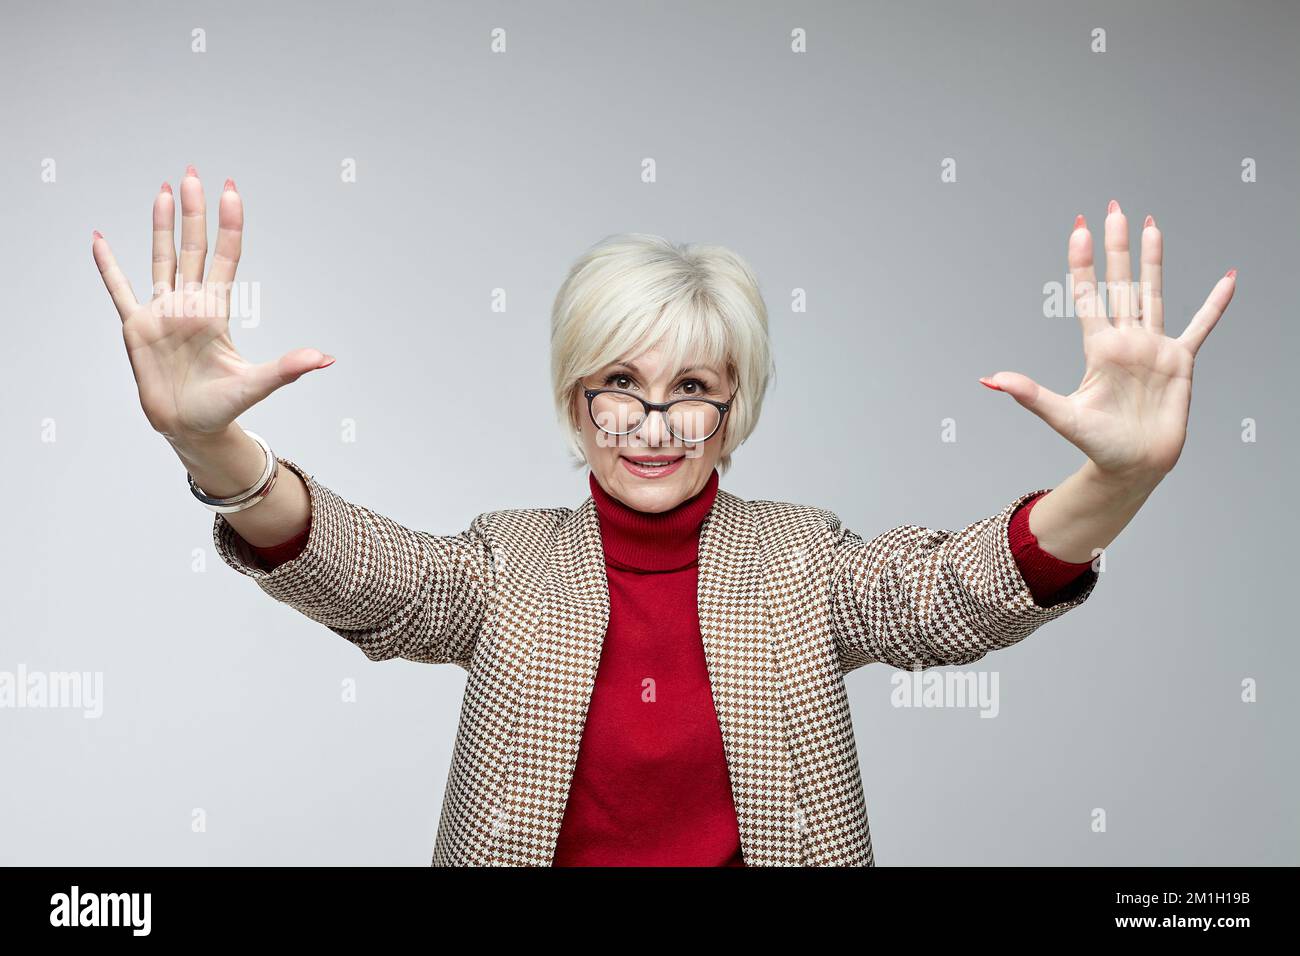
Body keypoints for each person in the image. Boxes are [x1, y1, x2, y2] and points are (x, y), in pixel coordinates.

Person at [92, 168, 1237, 866]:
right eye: (618, 383)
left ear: (734, 411)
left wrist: (1120, 478)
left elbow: (948, 593)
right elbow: (359, 568)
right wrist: (207, 439)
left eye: (692, 388)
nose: (652, 421)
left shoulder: (800, 557)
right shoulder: (505, 562)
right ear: (573, 399)